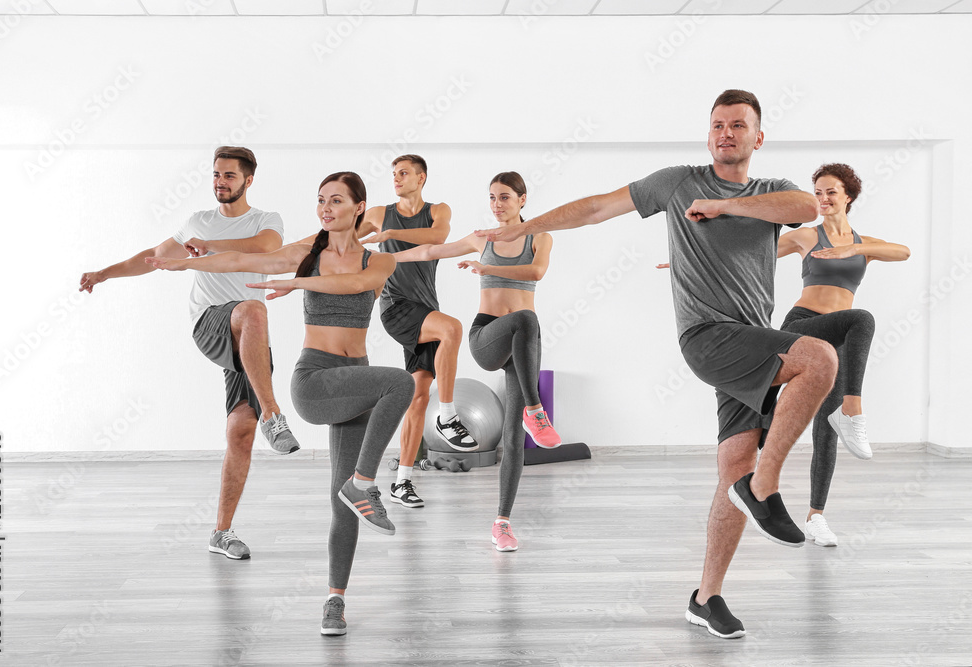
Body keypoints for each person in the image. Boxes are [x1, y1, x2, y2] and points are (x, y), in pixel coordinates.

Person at [477, 90, 834, 639]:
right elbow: (597, 206)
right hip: (708, 337)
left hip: (750, 341)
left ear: (757, 137)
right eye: (717, 124)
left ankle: (706, 596)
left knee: (731, 468)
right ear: (707, 132)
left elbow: (806, 209)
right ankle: (763, 488)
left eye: (739, 125)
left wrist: (727, 207)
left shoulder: (771, 192)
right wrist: (524, 227)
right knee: (820, 359)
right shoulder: (678, 182)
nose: (726, 133)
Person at [147, 171, 414, 637]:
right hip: (315, 380)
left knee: (341, 505)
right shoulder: (306, 256)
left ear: (359, 207)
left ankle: (335, 601)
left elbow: (354, 284)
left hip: (356, 384)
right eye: (320, 201)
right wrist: (191, 263)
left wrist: (298, 286)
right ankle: (366, 483)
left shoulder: (379, 263)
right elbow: (243, 258)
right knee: (400, 384)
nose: (325, 208)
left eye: (335, 201)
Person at [79, 146, 300, 561]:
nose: (221, 181)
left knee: (240, 432)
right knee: (252, 308)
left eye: (230, 176)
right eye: (216, 174)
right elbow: (153, 258)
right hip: (212, 323)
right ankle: (275, 414)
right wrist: (104, 273)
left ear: (248, 180)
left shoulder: (266, 220)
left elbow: (263, 246)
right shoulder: (197, 221)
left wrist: (207, 246)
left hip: (250, 339)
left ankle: (221, 532)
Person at [393, 171, 561, 552]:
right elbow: (430, 252)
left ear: (522, 200)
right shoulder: (480, 239)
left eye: (504, 197)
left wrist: (488, 270)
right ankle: (535, 410)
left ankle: (502, 523)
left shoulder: (540, 237)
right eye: (491, 198)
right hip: (487, 337)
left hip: (524, 344)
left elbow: (536, 272)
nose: (497, 205)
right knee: (525, 317)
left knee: (514, 440)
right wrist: (386, 256)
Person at [777, 163, 910, 547]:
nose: (822, 199)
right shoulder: (806, 236)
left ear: (848, 196)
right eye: (817, 192)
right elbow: (756, 252)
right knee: (863, 319)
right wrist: (696, 261)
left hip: (836, 340)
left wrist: (857, 248)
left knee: (825, 432)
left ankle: (816, 516)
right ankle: (853, 409)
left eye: (830, 192)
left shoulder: (861, 243)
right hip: (802, 326)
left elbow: (903, 252)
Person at [357, 154, 478, 509]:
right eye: (394, 173)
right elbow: (342, 235)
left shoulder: (438, 210)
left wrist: (393, 235)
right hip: (396, 308)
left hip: (426, 310)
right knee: (453, 328)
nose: (396, 178)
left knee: (417, 396)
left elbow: (438, 236)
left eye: (404, 173)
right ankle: (448, 416)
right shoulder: (379, 213)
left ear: (421, 177)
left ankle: (402, 483)